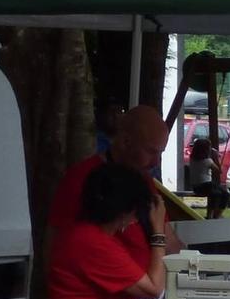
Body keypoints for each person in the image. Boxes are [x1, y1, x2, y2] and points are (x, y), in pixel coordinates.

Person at [49, 164, 174, 299]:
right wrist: (158, 230)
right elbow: (154, 289)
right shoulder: (90, 241)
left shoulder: (85, 235)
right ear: (125, 210)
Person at [49, 103, 169, 268]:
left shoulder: (144, 180)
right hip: (112, 287)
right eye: (151, 151)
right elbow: (57, 245)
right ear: (126, 142)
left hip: (145, 284)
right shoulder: (82, 178)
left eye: (161, 153)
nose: (156, 162)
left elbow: (168, 236)